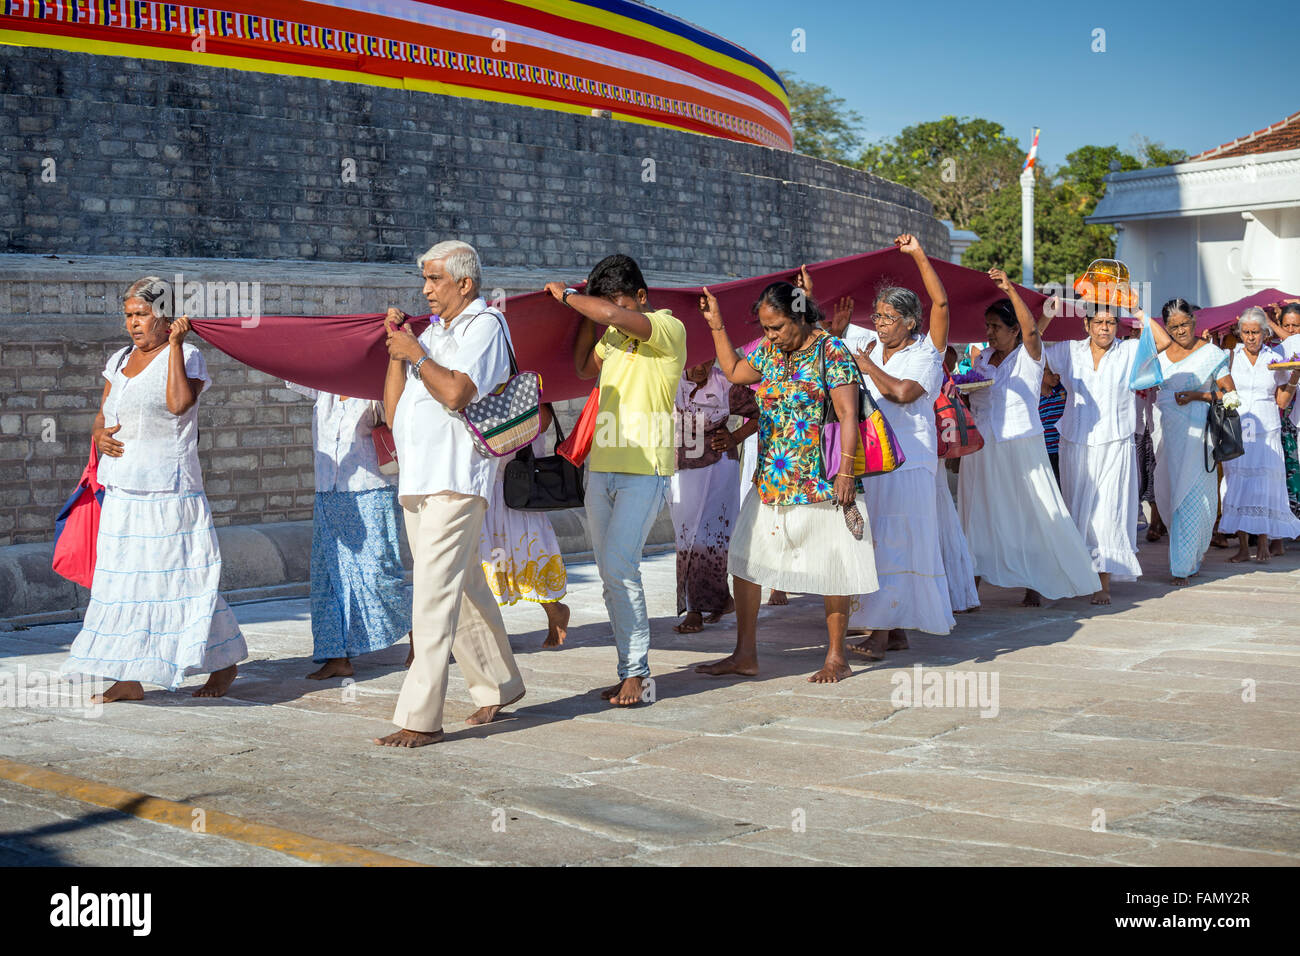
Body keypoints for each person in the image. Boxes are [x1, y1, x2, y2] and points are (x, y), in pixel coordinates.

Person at [63, 277, 246, 702]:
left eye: (141, 315)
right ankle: (128, 676)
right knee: (123, 583)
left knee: (180, 579)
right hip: (123, 489)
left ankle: (223, 661)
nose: (133, 324)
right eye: (128, 316)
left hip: (169, 488)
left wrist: (178, 348)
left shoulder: (189, 356)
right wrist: (99, 436)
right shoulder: (120, 359)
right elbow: (103, 414)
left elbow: (180, 404)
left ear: (165, 318)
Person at [376, 240, 525, 748]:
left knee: (432, 594)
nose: (425, 290)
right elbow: (394, 415)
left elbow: (458, 392)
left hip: (457, 478)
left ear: (464, 283)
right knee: (460, 588)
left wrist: (416, 354)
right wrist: (399, 352)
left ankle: (420, 716)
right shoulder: (433, 332)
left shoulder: (485, 326)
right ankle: (499, 682)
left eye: (434, 279)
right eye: (424, 279)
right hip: (420, 478)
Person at [694, 282, 879, 683]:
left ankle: (836, 657)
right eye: (765, 328)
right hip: (772, 479)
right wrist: (717, 325)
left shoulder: (832, 351)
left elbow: (849, 415)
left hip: (822, 479)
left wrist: (847, 472)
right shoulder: (770, 350)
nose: (770, 335)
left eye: (776, 326)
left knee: (835, 565)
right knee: (745, 561)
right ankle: (744, 654)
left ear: (799, 316)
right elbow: (734, 371)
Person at [554, 254, 687, 707]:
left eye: (618, 300)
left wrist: (573, 298)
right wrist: (580, 316)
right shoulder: (610, 334)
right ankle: (626, 668)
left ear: (642, 298)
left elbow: (611, 313)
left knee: (620, 567)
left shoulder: (669, 329)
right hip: (601, 467)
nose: (610, 309)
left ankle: (638, 674)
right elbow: (583, 369)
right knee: (611, 575)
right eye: (605, 301)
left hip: (644, 469)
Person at [957, 270, 1100, 606]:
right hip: (982, 446)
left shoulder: (1030, 357)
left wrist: (1009, 288)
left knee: (1031, 511)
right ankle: (970, 588)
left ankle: (1037, 583)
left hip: (1021, 444)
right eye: (987, 326)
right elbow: (971, 394)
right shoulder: (981, 359)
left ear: (1014, 330)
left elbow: (1034, 330)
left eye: (995, 327)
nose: (989, 333)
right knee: (978, 513)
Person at [843, 234, 955, 658]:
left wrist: (917, 254)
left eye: (890, 317)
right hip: (878, 462)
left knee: (898, 542)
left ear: (910, 321)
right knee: (881, 541)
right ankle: (894, 627)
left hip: (912, 462)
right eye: (878, 316)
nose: (881, 323)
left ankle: (883, 630)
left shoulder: (926, 351)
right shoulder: (871, 347)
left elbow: (905, 393)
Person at [1039, 304, 1173, 604]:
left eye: (1111, 322)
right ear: (1086, 325)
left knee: (1108, 511)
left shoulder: (1128, 351)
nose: (1104, 328)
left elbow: (1163, 342)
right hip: (1075, 441)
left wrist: (1137, 310)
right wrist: (1047, 315)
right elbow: (1033, 350)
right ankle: (1078, 576)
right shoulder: (1069, 351)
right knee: (1078, 511)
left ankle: (1103, 584)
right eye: (1098, 322)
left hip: (1116, 442)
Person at [284, 382, 412, 678]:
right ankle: (336, 656)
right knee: (329, 577)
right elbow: (289, 373)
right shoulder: (323, 388)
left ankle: (419, 635)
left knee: (379, 575)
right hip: (328, 492)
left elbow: (396, 419)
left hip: (371, 491)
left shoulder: (374, 386)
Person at [1149, 299, 1236, 584]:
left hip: (1199, 437)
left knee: (1195, 499)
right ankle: (1187, 554)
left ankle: (1182, 565)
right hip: (1166, 435)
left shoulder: (1212, 353)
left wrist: (1198, 396)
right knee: (1167, 494)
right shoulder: (1159, 354)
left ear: (1194, 321)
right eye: (1173, 327)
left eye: (1184, 324)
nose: (1180, 331)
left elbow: (1230, 395)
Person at [670, 360, 759, 633]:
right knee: (685, 536)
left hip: (719, 467)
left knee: (711, 536)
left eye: (705, 360)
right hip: (679, 466)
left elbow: (762, 413)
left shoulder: (726, 384)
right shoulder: (669, 381)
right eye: (693, 360)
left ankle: (695, 609)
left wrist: (735, 437)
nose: (699, 368)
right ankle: (721, 600)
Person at [478, 405, 572, 647]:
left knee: (528, 552)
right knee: (483, 561)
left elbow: (544, 419)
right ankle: (485, 635)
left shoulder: (532, 376)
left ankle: (554, 609)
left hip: (519, 484)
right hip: (483, 482)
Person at [1218, 307, 1300, 563]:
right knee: (1237, 482)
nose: (1251, 337)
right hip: (1239, 427)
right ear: (1239, 333)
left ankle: (1264, 541)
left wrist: (1295, 376)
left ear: (1265, 333)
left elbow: (1283, 401)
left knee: (1265, 484)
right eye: (1246, 332)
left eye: (1255, 332)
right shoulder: (1230, 357)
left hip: (1267, 428)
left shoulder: (1275, 358)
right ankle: (1243, 546)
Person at [1267, 302, 1300, 534]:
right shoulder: (1276, 351)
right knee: (1291, 471)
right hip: (1286, 419)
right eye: (1286, 325)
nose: (1291, 330)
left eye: (1296, 326)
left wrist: (1269, 323)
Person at [1038, 366, 1066, 485]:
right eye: (1051, 373)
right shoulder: (1035, 398)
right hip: (1045, 451)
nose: (1056, 376)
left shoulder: (1061, 392)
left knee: (1063, 482)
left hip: (1060, 449)